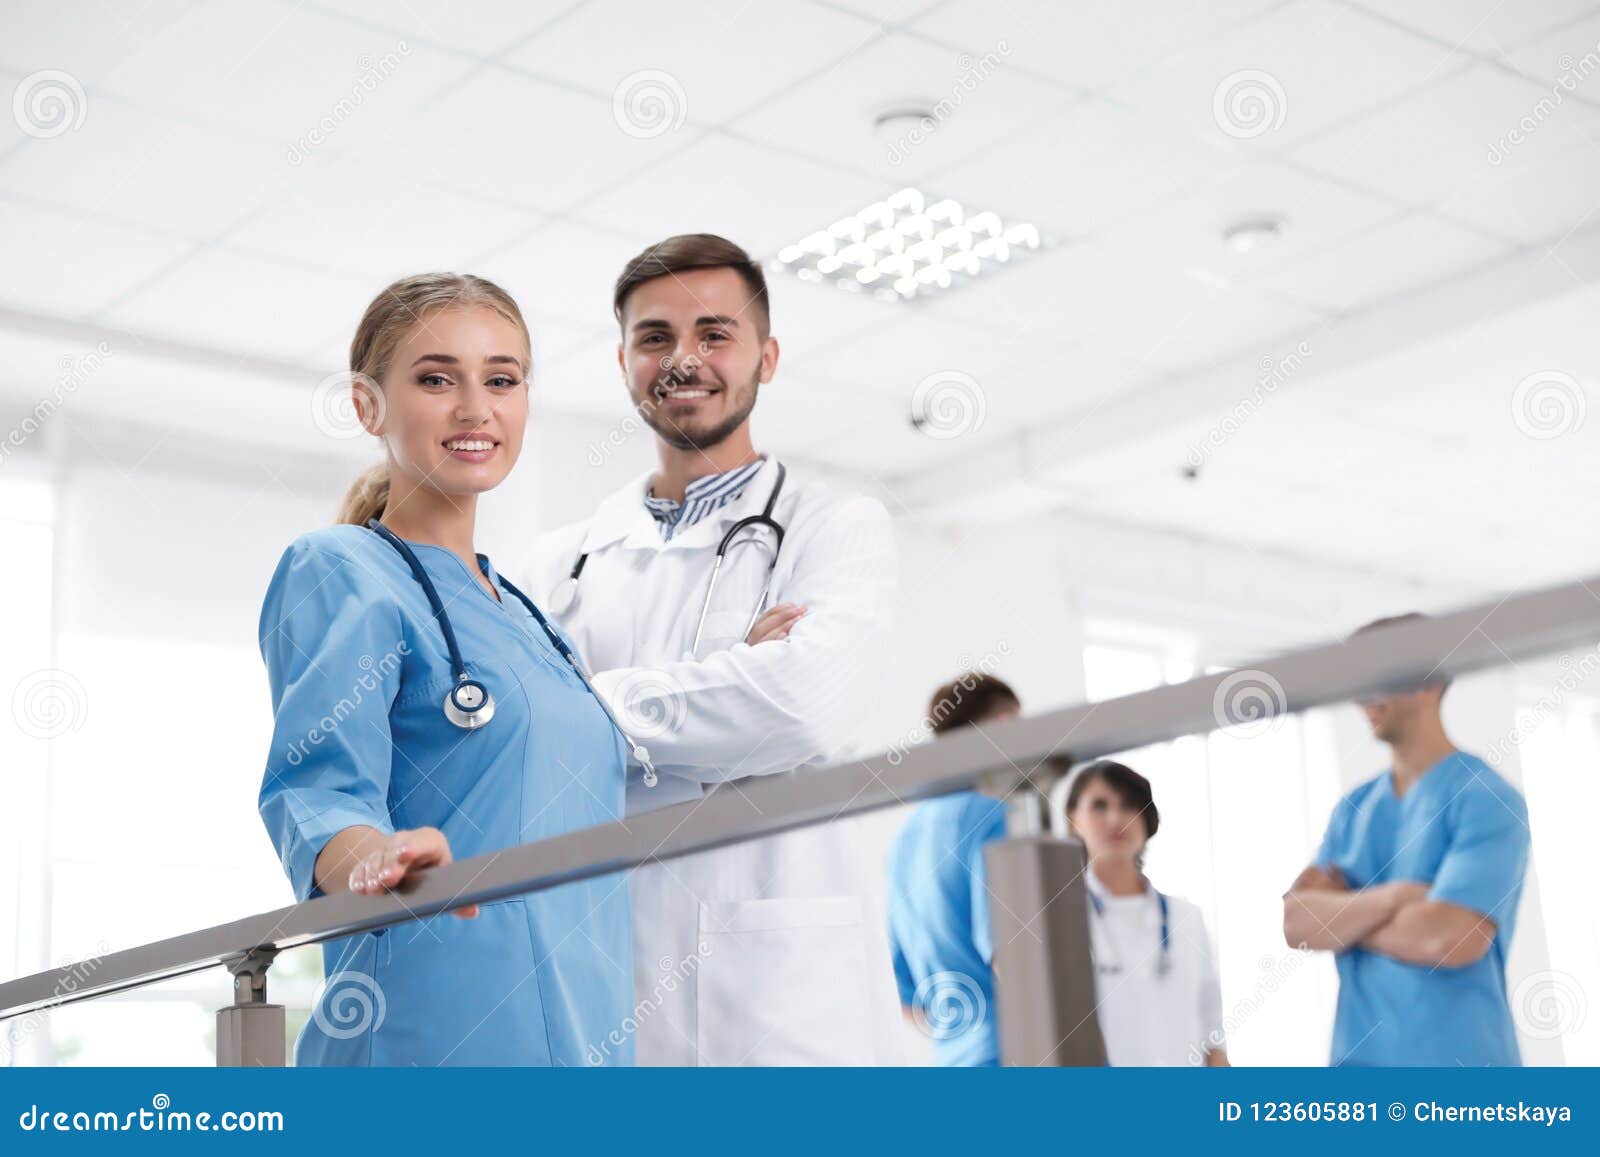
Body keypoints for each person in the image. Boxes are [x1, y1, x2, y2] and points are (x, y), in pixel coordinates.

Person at [522, 233, 899, 1065]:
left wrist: (581, 705)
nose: (683, 358)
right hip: (606, 976)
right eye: (655, 337)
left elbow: (801, 704)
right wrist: (728, 685)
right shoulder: (556, 565)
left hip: (777, 995)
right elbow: (522, 751)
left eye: (714, 334)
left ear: (766, 357)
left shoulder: (835, 528)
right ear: (623, 360)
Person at [257, 273, 632, 1066]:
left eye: (502, 379)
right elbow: (317, 789)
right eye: (436, 378)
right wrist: (379, 859)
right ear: (368, 405)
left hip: (588, 1029)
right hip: (431, 1032)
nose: (476, 408)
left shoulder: (528, 613)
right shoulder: (341, 568)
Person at [1282, 612, 1531, 1066]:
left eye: (1376, 674)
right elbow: (1298, 925)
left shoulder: (1487, 799)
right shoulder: (1352, 809)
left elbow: (1448, 939)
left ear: (1428, 682)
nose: (1361, 696)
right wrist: (1401, 896)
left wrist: (1345, 920)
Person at [884, 674, 1023, 1066]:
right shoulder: (993, 816)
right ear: (1002, 727)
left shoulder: (905, 840)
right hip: (1013, 1055)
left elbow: (905, 994)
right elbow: (1011, 956)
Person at [1057, 760, 1226, 1067]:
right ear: (1072, 820)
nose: (1115, 818)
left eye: (1128, 805)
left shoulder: (1185, 917)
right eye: (1099, 805)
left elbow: (1212, 1025)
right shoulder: (1060, 919)